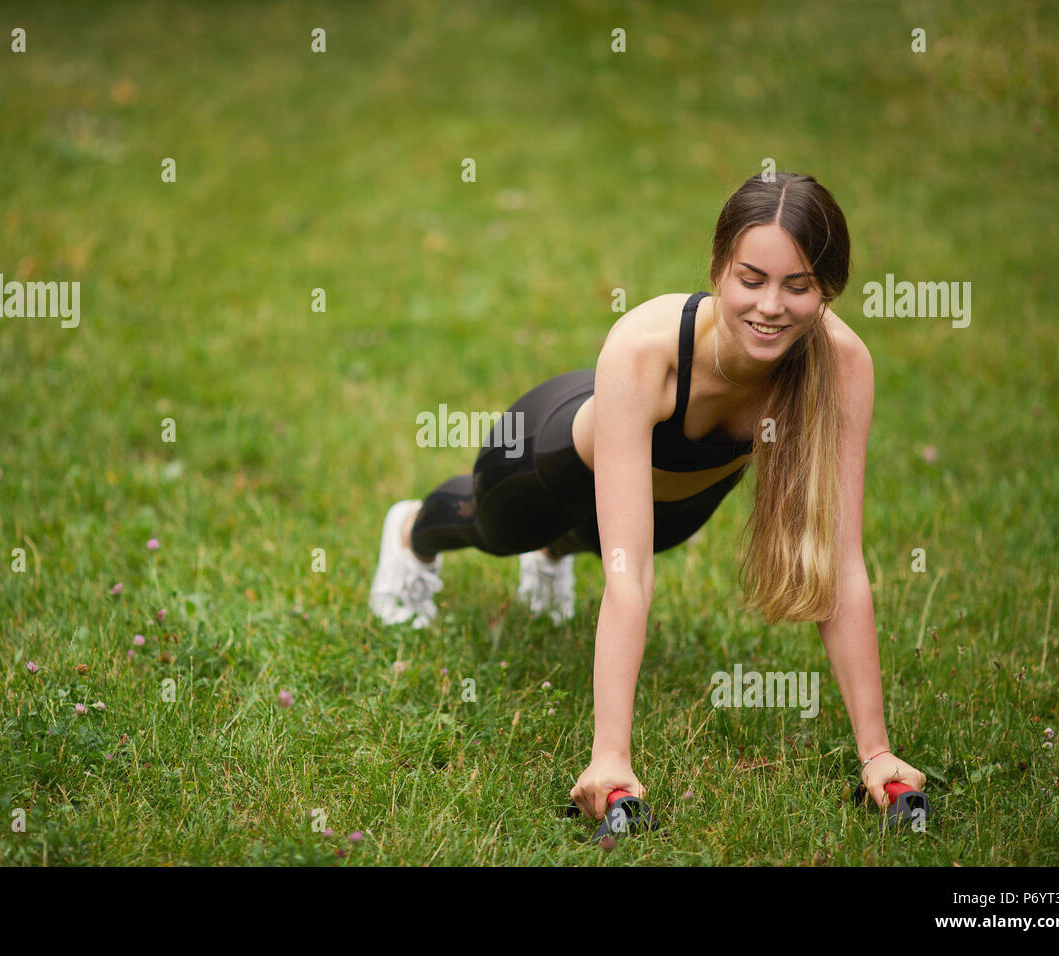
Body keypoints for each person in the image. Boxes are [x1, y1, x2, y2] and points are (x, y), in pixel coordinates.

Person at [368, 172, 926, 821]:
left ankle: (554, 556)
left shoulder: (842, 365)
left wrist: (877, 753)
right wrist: (611, 756)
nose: (772, 305)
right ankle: (411, 533)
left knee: (623, 537)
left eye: (797, 286)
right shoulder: (647, 349)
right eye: (752, 279)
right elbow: (628, 577)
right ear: (717, 268)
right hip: (546, 463)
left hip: (675, 506)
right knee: (492, 530)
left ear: (826, 287)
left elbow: (842, 565)